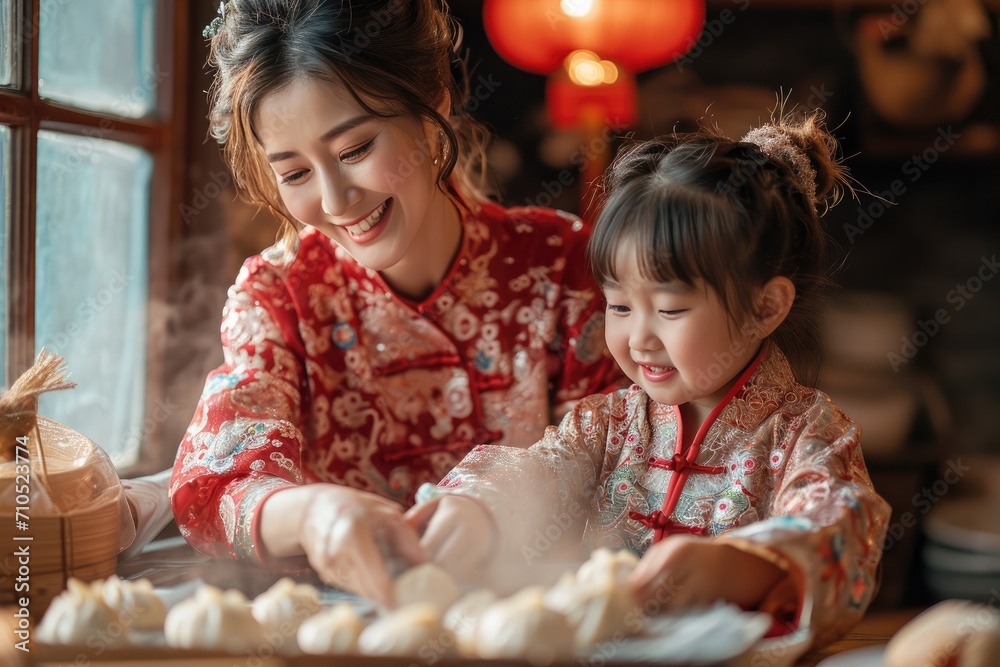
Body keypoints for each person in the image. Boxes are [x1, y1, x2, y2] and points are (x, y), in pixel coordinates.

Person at [169, 0, 625, 606]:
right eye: (295, 172)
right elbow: (215, 481)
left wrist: (502, 505)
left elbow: (629, 458)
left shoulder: (561, 265)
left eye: (355, 149)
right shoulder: (278, 294)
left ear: (434, 102)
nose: (335, 200)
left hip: (537, 620)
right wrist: (312, 516)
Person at [408, 111, 892, 652]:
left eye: (670, 309)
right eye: (618, 305)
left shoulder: (808, 432)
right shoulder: (605, 423)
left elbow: (841, 528)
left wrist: (744, 565)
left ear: (766, 306)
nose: (639, 337)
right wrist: (477, 507)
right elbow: (538, 473)